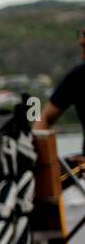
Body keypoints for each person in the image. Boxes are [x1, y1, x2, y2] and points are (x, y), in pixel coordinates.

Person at [35, 26, 85, 166]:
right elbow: (44, 118)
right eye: (82, 34)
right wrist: (36, 154)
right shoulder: (77, 77)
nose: (81, 41)